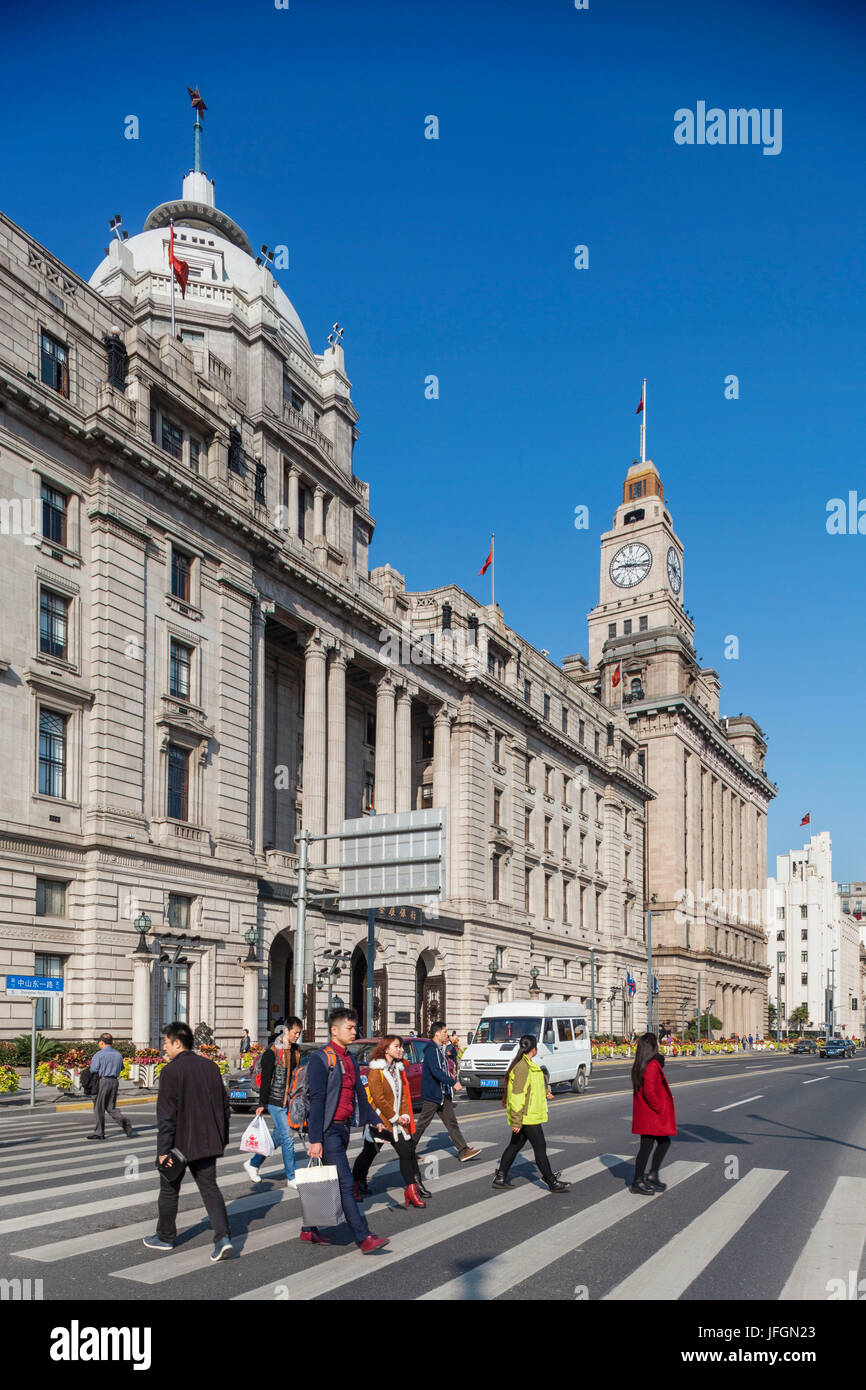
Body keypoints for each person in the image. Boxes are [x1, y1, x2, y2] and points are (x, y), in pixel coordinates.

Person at [143, 1021, 234, 1262]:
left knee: (169, 1190)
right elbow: (225, 1107)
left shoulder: (171, 1071)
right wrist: (221, 1139)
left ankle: (165, 1237)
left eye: (166, 1043)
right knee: (210, 1189)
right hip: (207, 1142)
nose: (164, 1048)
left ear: (177, 1043)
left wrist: (162, 1150)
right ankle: (223, 1237)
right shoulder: (211, 1067)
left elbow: (166, 1116)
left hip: (179, 1145)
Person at [302, 1006, 390, 1254]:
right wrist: (315, 1139)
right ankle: (364, 1237)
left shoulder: (349, 1057)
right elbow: (317, 1101)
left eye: (355, 1027)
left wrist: (374, 1118)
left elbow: (360, 1093)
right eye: (349, 1028)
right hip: (328, 1131)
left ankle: (309, 1229)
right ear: (334, 1030)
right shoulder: (321, 1059)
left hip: (342, 1128)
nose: (354, 1032)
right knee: (345, 1182)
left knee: (331, 1181)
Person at [352, 1036, 428, 1207]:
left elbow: (402, 1098)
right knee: (368, 1154)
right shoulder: (375, 1070)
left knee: (406, 1152)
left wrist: (405, 1116)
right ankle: (355, 1185)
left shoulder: (396, 1069)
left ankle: (411, 1190)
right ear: (386, 1049)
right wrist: (395, 1117)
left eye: (401, 1047)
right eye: (397, 1047)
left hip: (397, 1123)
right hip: (380, 1121)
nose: (401, 1050)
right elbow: (378, 1098)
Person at [492, 1034, 569, 1193]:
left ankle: (500, 1177)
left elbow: (531, 1089)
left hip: (528, 1114)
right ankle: (551, 1181)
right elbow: (518, 1096)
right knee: (540, 1148)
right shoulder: (523, 1067)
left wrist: (545, 1093)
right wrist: (516, 1121)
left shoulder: (528, 1065)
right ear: (533, 1048)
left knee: (515, 1145)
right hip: (527, 1116)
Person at [412, 1022, 481, 1163]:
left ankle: (463, 1151)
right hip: (434, 1094)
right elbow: (436, 1071)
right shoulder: (431, 1050)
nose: (447, 1035)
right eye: (444, 1032)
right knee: (422, 1124)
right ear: (437, 1033)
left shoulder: (438, 1049)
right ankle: (407, 1151)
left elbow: (442, 1069)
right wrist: (453, 1082)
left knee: (451, 1123)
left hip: (442, 1094)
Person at [244, 1020, 301, 1188]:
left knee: (278, 1137)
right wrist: (262, 1104)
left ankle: (253, 1163)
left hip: (289, 1100)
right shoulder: (273, 1051)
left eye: (299, 1033)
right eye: (294, 1032)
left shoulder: (296, 1051)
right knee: (288, 1137)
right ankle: (292, 1177)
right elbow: (266, 1079)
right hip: (275, 1101)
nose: (297, 1036)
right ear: (286, 1030)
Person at [630, 1032, 676, 1196]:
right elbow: (649, 1091)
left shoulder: (642, 1064)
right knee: (647, 1147)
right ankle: (638, 1180)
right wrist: (660, 1107)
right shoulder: (651, 1065)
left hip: (647, 1114)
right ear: (652, 1047)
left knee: (662, 1142)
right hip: (652, 1114)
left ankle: (652, 1174)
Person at [86, 1032, 133, 1141]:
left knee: (99, 1108)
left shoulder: (99, 1054)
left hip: (103, 1082)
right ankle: (124, 1121)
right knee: (110, 1107)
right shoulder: (118, 1054)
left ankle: (99, 1133)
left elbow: (93, 1069)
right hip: (114, 1082)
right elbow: (121, 1068)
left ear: (101, 1042)